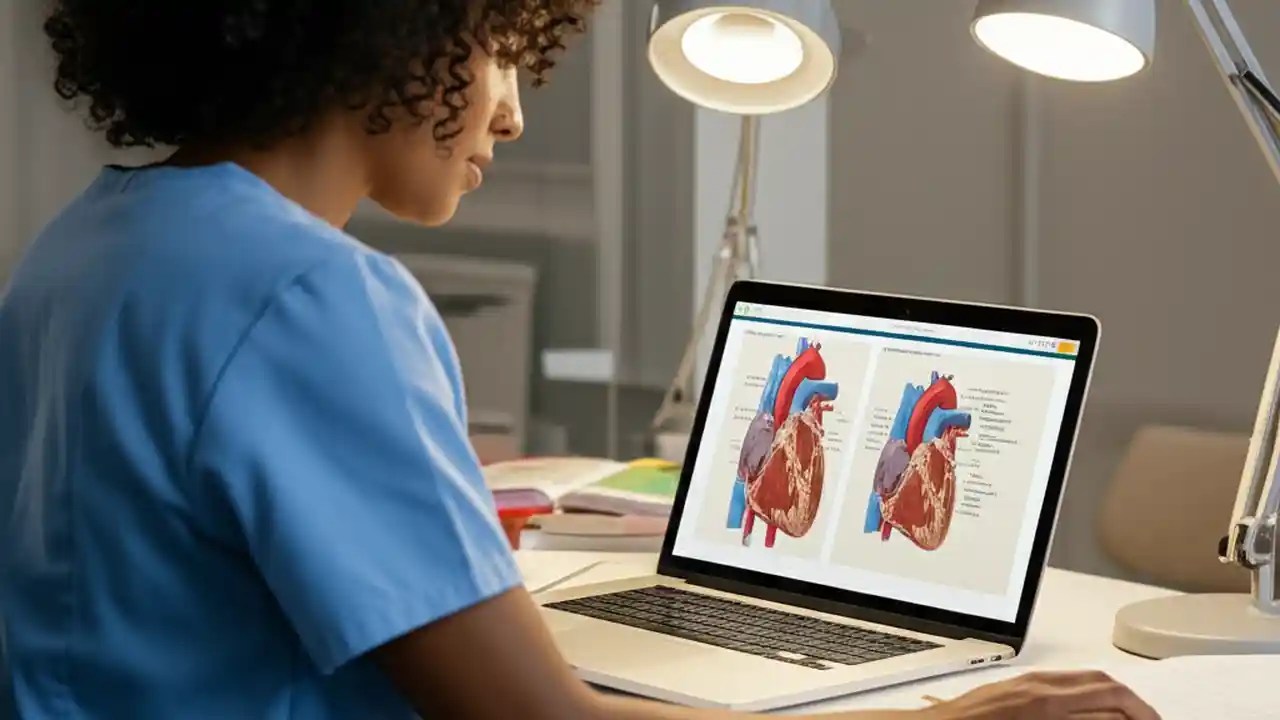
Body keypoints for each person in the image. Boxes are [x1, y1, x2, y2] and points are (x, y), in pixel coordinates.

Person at [0, 2, 1160, 718]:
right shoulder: (310, 296)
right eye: (501, 50)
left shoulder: (86, 245)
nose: (510, 115)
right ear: (396, 27)